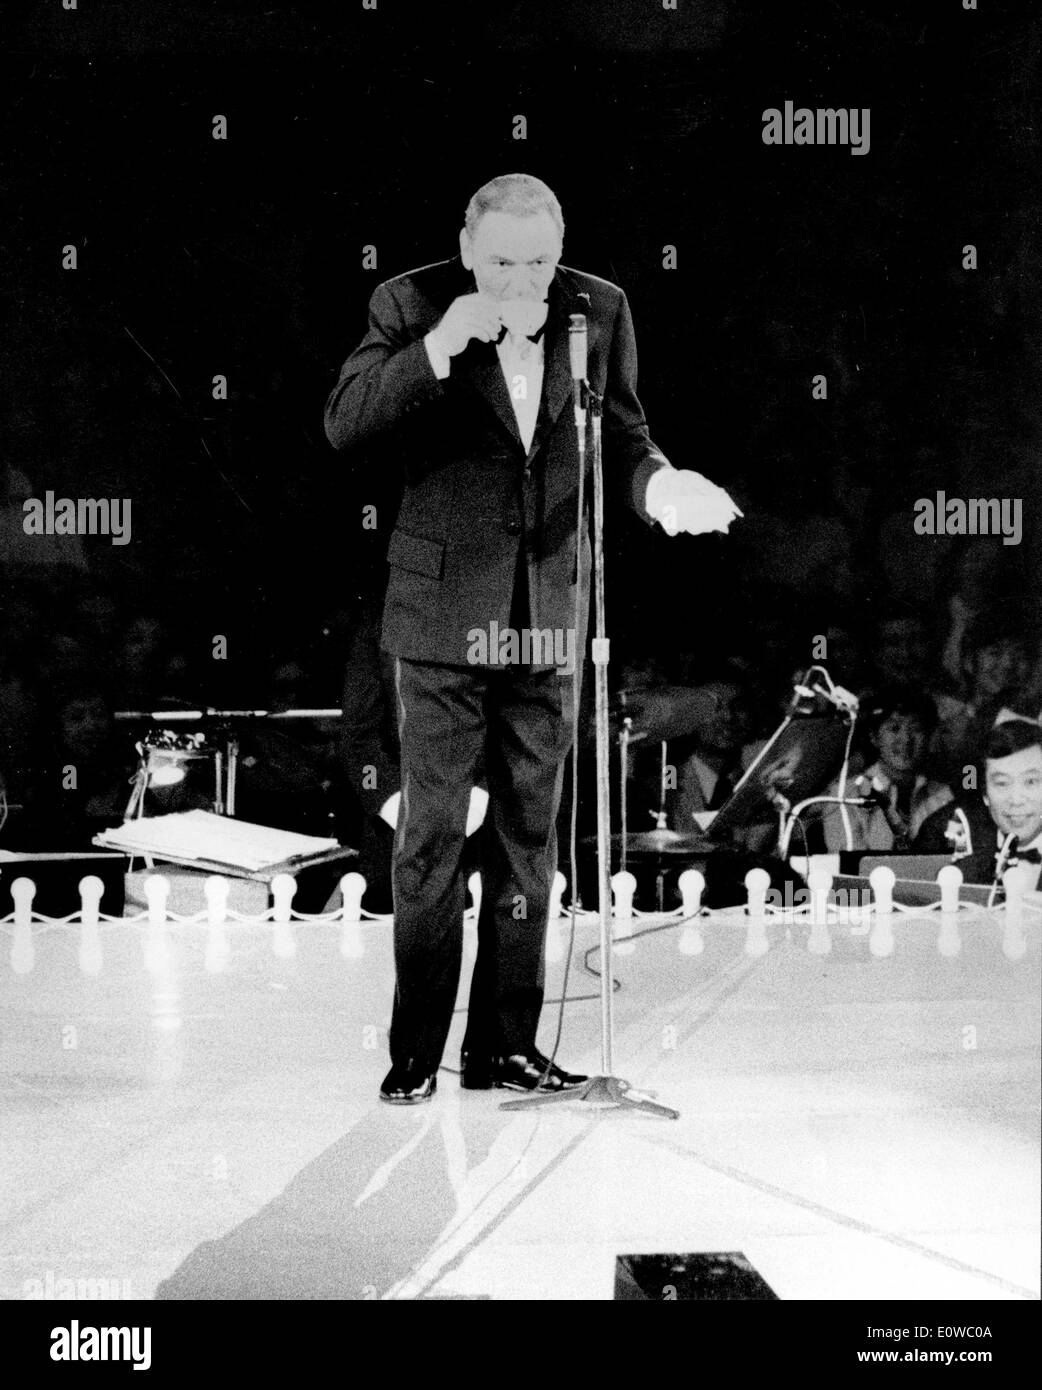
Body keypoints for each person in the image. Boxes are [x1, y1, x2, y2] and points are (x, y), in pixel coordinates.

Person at [324, 173, 740, 1103]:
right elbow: (346, 422)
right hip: (440, 619)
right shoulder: (408, 301)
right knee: (430, 841)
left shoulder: (599, 309)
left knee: (528, 842)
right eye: (505, 263)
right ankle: (415, 1049)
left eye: (540, 263)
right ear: (469, 248)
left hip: (549, 615)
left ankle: (505, 1046)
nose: (525, 282)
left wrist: (663, 490)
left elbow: (625, 436)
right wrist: (438, 348)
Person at [914, 717, 1042, 892]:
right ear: (985, 794)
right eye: (1002, 783)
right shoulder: (943, 833)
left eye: (1031, 782)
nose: (1016, 800)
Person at [818, 686, 954, 852]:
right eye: (894, 728)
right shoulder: (846, 796)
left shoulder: (944, 796)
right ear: (874, 737)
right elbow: (850, 868)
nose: (905, 739)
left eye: (916, 729)